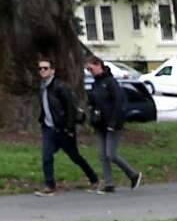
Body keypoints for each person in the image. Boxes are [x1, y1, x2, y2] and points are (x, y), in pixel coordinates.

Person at [35, 57, 99, 196]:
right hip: (49, 128)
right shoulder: (42, 86)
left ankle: (93, 178)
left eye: (45, 68)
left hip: (63, 128)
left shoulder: (60, 87)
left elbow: (70, 108)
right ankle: (49, 185)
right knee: (46, 156)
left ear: (52, 70)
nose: (42, 71)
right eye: (40, 68)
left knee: (74, 156)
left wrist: (70, 128)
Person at [84, 56, 143, 193]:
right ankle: (109, 183)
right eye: (88, 70)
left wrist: (114, 121)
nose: (90, 72)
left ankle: (133, 174)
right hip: (99, 123)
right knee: (102, 155)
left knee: (111, 154)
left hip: (112, 122)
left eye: (91, 68)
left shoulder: (110, 82)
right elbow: (94, 102)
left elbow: (119, 102)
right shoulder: (96, 83)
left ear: (98, 65)